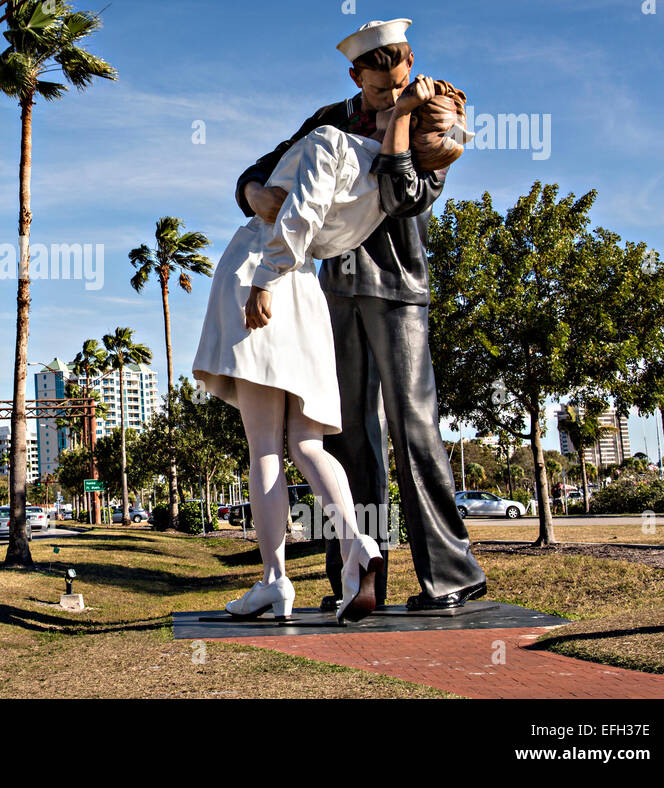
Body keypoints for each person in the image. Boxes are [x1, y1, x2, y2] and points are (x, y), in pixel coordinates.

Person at [194, 64, 469, 622]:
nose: (389, 92)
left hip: (392, 285)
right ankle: (357, 567)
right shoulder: (329, 121)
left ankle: (447, 574)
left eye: (398, 83)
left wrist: (400, 122)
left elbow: (401, 195)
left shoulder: (423, 132)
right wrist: (254, 193)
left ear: (411, 74)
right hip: (327, 285)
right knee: (345, 439)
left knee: (413, 426)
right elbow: (260, 170)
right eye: (378, 84)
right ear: (356, 75)